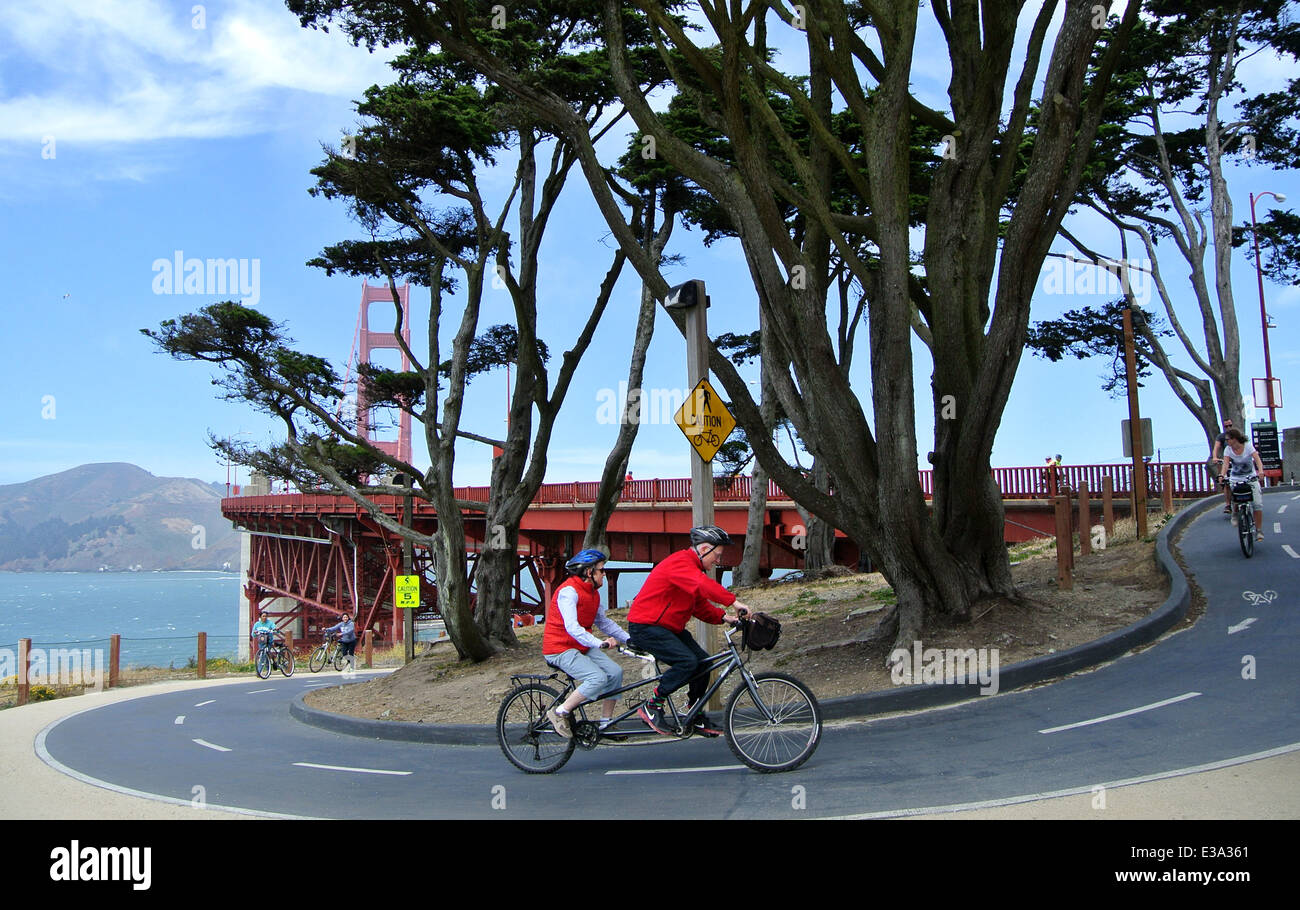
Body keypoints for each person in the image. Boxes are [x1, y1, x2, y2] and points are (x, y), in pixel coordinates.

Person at [626, 526, 751, 737]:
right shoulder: (680, 563)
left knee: (703, 663)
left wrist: (725, 617)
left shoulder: (691, 570)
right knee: (687, 662)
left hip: (668, 628)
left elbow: (699, 605)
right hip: (646, 627)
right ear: (703, 549)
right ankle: (653, 705)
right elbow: (702, 585)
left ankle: (694, 713)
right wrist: (734, 602)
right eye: (717, 555)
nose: (718, 561)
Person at [542, 549, 630, 739]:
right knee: (597, 678)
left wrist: (628, 639)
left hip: (580, 646)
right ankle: (559, 713)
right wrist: (600, 643)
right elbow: (572, 627)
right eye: (601, 570)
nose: (604, 574)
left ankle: (606, 723)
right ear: (589, 572)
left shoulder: (593, 593)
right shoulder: (568, 592)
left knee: (615, 673)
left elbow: (603, 622)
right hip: (560, 648)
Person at [1219, 428, 1266, 542]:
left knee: (1257, 504)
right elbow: (1225, 464)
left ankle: (1258, 530)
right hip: (1236, 477)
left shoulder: (1248, 446)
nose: (1226, 442)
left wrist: (1260, 471)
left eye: (1228, 439)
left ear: (1234, 439)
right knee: (1236, 497)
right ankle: (1235, 513)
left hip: (1251, 477)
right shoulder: (1228, 450)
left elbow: (1257, 459)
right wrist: (1222, 475)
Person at [1210, 418, 1236, 513]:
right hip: (1227, 462)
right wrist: (1215, 457)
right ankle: (1228, 505)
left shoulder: (1238, 435)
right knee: (1226, 483)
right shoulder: (1222, 437)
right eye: (1226, 426)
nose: (1228, 428)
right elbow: (1216, 447)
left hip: (1238, 462)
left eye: (1230, 425)